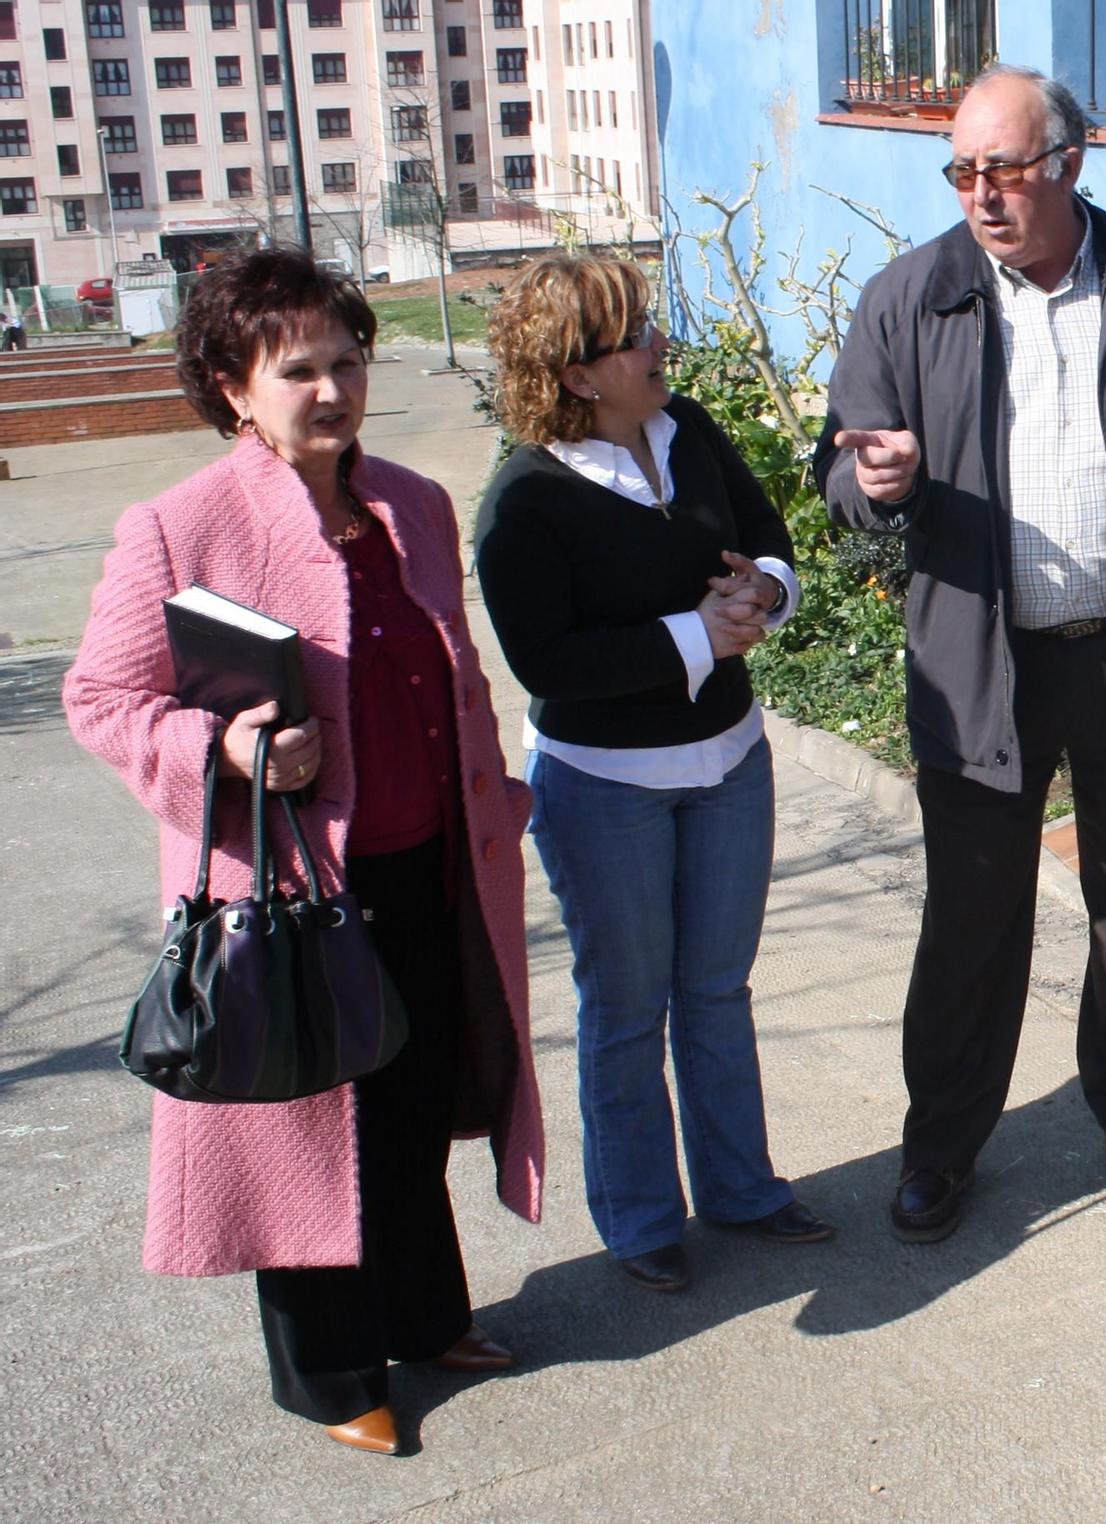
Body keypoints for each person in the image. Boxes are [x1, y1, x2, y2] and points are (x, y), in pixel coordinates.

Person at [63, 246, 546, 1455]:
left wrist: (496, 798)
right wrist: (221, 749)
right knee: (307, 1126)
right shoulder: (179, 525)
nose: (331, 391)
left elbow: (449, 681)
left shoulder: (413, 504)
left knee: (413, 1101)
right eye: (297, 371)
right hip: (284, 889)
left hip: (429, 862)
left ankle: (429, 1315)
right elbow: (102, 698)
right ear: (233, 385)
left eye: (348, 362)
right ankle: (333, 1375)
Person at [815, 64, 1106, 1241]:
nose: (978, 195)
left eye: (1003, 171)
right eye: (961, 171)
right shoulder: (909, 296)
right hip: (979, 658)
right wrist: (872, 484)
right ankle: (942, 1145)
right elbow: (838, 472)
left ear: (1068, 164)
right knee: (973, 915)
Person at [475, 253, 832, 1297]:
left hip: (729, 764)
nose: (658, 343)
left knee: (715, 991)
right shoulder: (525, 500)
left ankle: (740, 1189)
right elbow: (547, 662)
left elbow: (765, 537)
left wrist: (764, 591)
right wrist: (695, 637)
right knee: (626, 1008)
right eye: (635, 335)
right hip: (604, 788)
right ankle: (639, 1218)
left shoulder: (690, 432)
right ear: (579, 375)